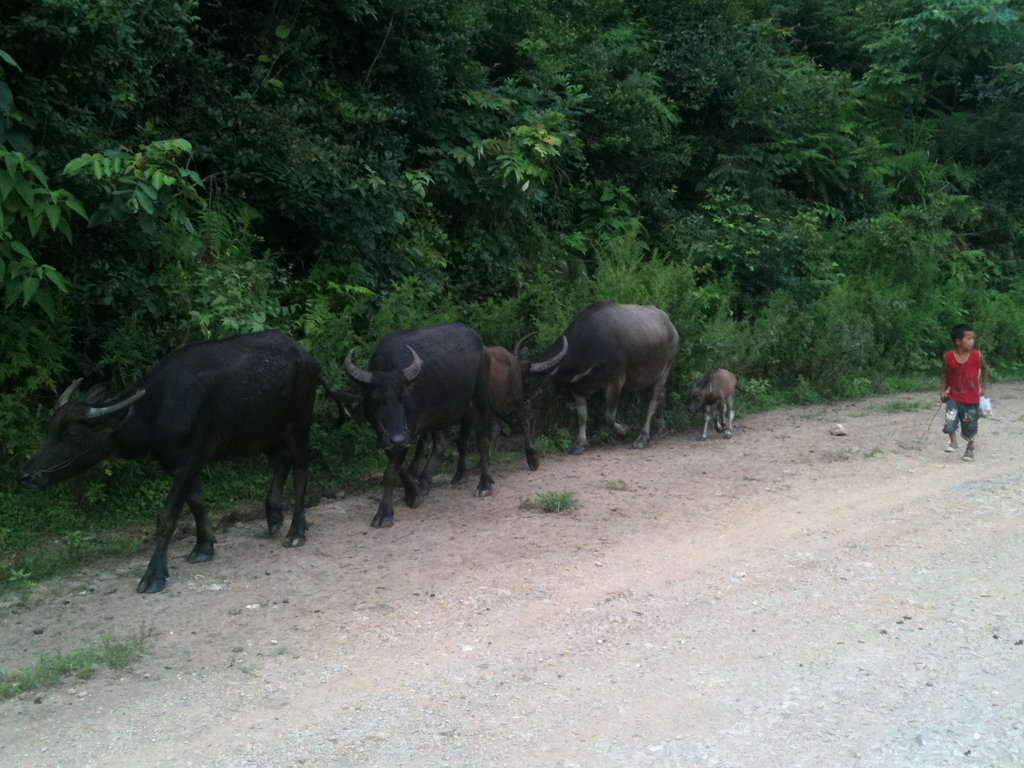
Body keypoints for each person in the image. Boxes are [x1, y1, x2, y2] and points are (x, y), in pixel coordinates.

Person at [940, 323, 989, 461]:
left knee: (970, 426)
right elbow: (943, 373)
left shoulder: (976, 355)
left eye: (973, 338)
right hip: (953, 396)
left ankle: (970, 448)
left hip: (971, 398)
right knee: (950, 419)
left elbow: (985, 369)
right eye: (969, 338)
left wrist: (983, 387)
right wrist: (942, 390)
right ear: (958, 341)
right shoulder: (948, 356)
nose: (972, 341)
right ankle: (953, 442)